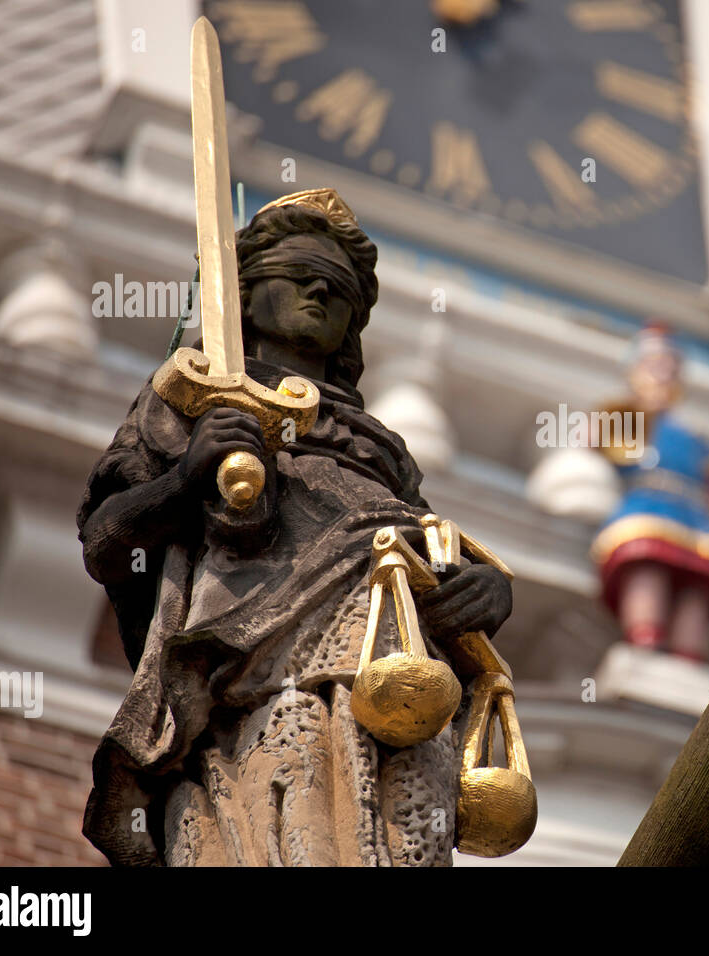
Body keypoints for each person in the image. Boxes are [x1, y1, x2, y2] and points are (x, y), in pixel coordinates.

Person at [77, 188, 511, 866]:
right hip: (258, 670)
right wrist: (187, 478)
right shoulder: (192, 398)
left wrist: (481, 593)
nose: (318, 290)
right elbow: (107, 540)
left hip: (393, 670)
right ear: (242, 297)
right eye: (297, 274)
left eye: (338, 289)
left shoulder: (382, 448)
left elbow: (433, 552)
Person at [591, 325, 709, 662]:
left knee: (697, 584)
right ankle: (644, 639)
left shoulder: (694, 435)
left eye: (670, 368)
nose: (663, 374)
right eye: (654, 365)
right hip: (648, 507)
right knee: (647, 567)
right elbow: (603, 447)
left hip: (695, 519)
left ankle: (687, 657)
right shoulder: (626, 418)